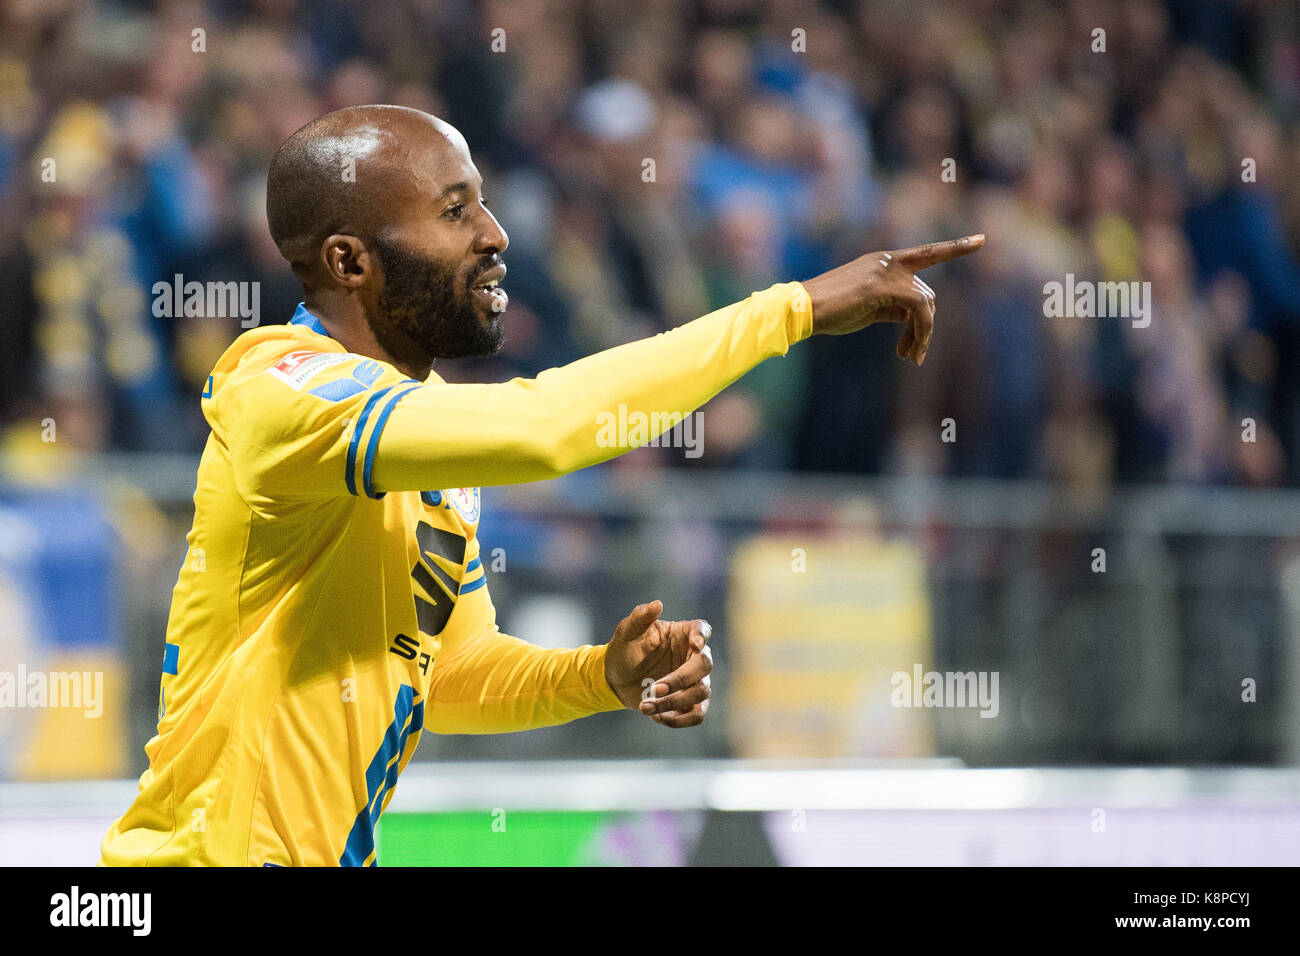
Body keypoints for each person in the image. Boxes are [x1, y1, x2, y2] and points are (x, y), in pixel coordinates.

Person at [99, 105, 983, 866]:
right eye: (455, 211)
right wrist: (786, 311)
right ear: (349, 259)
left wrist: (603, 674)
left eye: (482, 200)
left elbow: (449, 676)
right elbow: (549, 429)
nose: (495, 234)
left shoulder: (426, 438)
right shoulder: (280, 388)